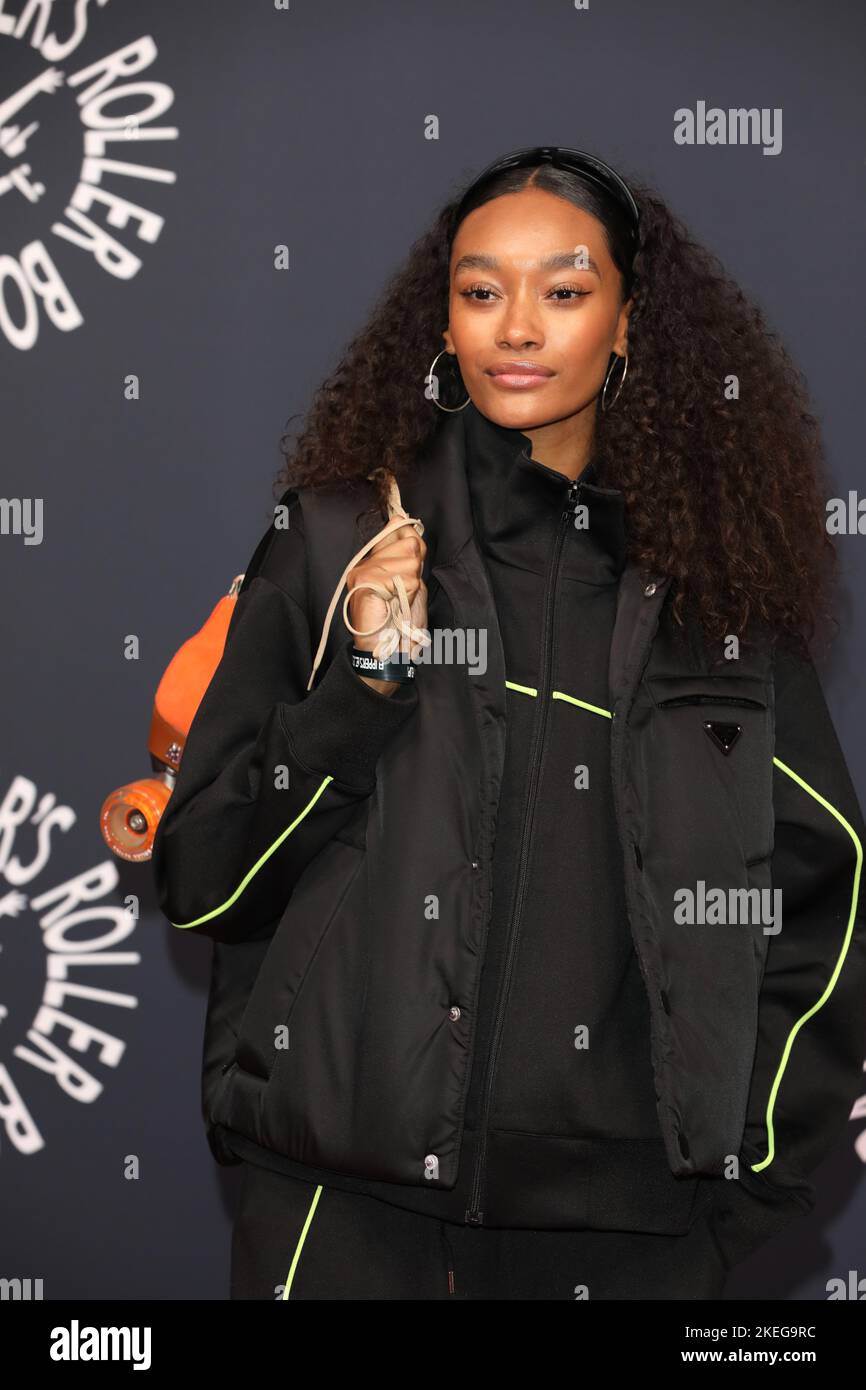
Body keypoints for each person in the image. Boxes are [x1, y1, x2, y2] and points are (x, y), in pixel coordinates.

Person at [151, 146, 866, 1301]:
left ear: (627, 325)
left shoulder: (718, 603)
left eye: (565, 291)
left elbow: (820, 909)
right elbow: (201, 876)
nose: (516, 326)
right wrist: (365, 688)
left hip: (624, 1239)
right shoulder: (335, 544)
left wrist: (739, 1188)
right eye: (480, 291)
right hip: (341, 1219)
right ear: (442, 323)